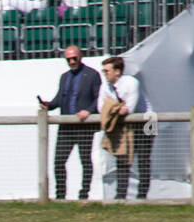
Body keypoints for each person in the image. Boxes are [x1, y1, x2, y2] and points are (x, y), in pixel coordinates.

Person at [38, 46, 100, 201]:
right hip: (66, 126)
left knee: (85, 160)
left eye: (74, 58)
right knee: (59, 161)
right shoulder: (64, 77)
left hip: (84, 126)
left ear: (81, 57)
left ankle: (84, 194)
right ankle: (60, 195)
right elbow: (60, 98)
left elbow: (99, 98)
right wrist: (49, 105)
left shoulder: (92, 75)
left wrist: (89, 111)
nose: (72, 62)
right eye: (68, 59)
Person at [98, 56, 152, 200]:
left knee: (143, 158)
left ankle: (142, 196)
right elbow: (100, 108)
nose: (105, 74)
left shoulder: (132, 82)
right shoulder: (105, 86)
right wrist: (115, 108)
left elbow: (129, 109)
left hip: (148, 121)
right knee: (122, 157)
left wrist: (112, 106)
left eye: (107, 71)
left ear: (117, 71)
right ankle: (120, 195)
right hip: (126, 125)